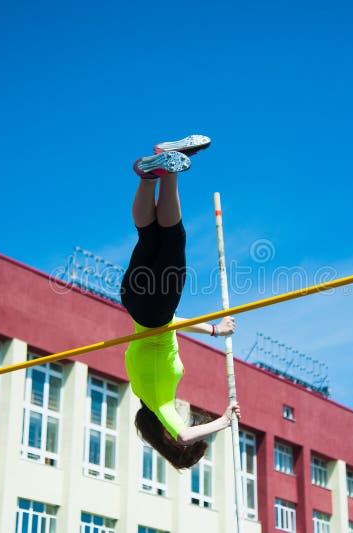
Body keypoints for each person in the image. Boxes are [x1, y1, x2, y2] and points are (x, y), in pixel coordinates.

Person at [122, 135, 240, 470]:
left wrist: (224, 421)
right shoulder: (140, 387)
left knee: (173, 236)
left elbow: (185, 436)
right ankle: (149, 176)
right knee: (151, 235)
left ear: (164, 433)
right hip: (134, 302)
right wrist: (215, 330)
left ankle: (168, 165)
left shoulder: (160, 402)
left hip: (156, 308)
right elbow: (170, 327)